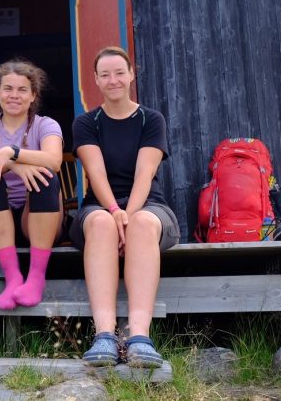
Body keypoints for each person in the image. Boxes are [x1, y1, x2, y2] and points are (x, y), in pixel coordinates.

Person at [69, 46, 180, 368]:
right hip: (98, 208)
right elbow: (96, 175)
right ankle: (104, 335)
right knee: (102, 222)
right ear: (96, 80)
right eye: (105, 74)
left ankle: (139, 337)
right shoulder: (86, 123)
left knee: (142, 224)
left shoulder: (151, 119)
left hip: (148, 206)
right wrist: (114, 213)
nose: (113, 80)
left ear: (132, 74)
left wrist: (127, 217)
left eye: (119, 72)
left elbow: (145, 175)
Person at [0, 60, 64, 310]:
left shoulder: (45, 125)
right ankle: (12, 277)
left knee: (45, 176)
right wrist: (13, 165)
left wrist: (11, 152)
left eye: (22, 90)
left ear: (33, 96)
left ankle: (36, 277)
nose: (14, 95)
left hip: (38, 220)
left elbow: (54, 161)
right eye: (8, 89)